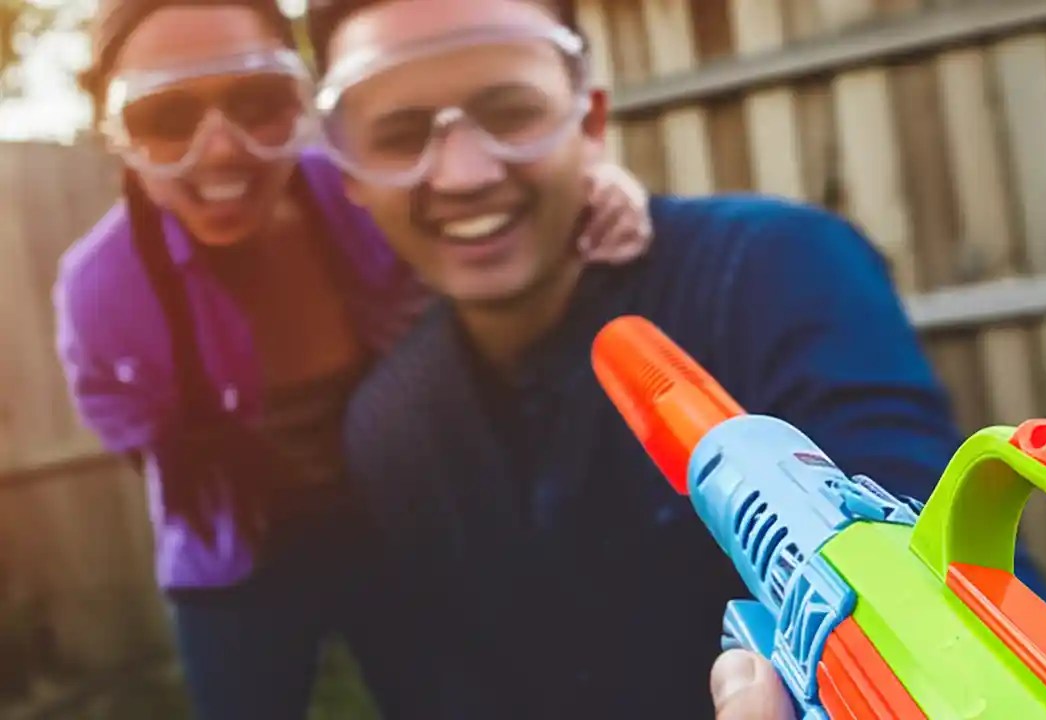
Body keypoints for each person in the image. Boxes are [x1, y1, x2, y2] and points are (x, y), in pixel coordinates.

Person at [310, 0, 1046, 717]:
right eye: (401, 135)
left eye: (510, 114)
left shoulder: (776, 271)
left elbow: (956, 607)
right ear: (348, 174)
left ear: (590, 121)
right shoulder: (388, 425)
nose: (464, 172)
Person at [52, 1, 652, 717]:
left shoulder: (363, 191)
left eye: (257, 103)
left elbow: (486, 209)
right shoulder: (101, 286)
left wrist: (601, 186)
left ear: (304, 100)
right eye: (166, 118)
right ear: (111, 132)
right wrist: (204, 469)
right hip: (234, 555)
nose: (220, 152)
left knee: (446, 697)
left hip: (388, 520)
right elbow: (116, 412)